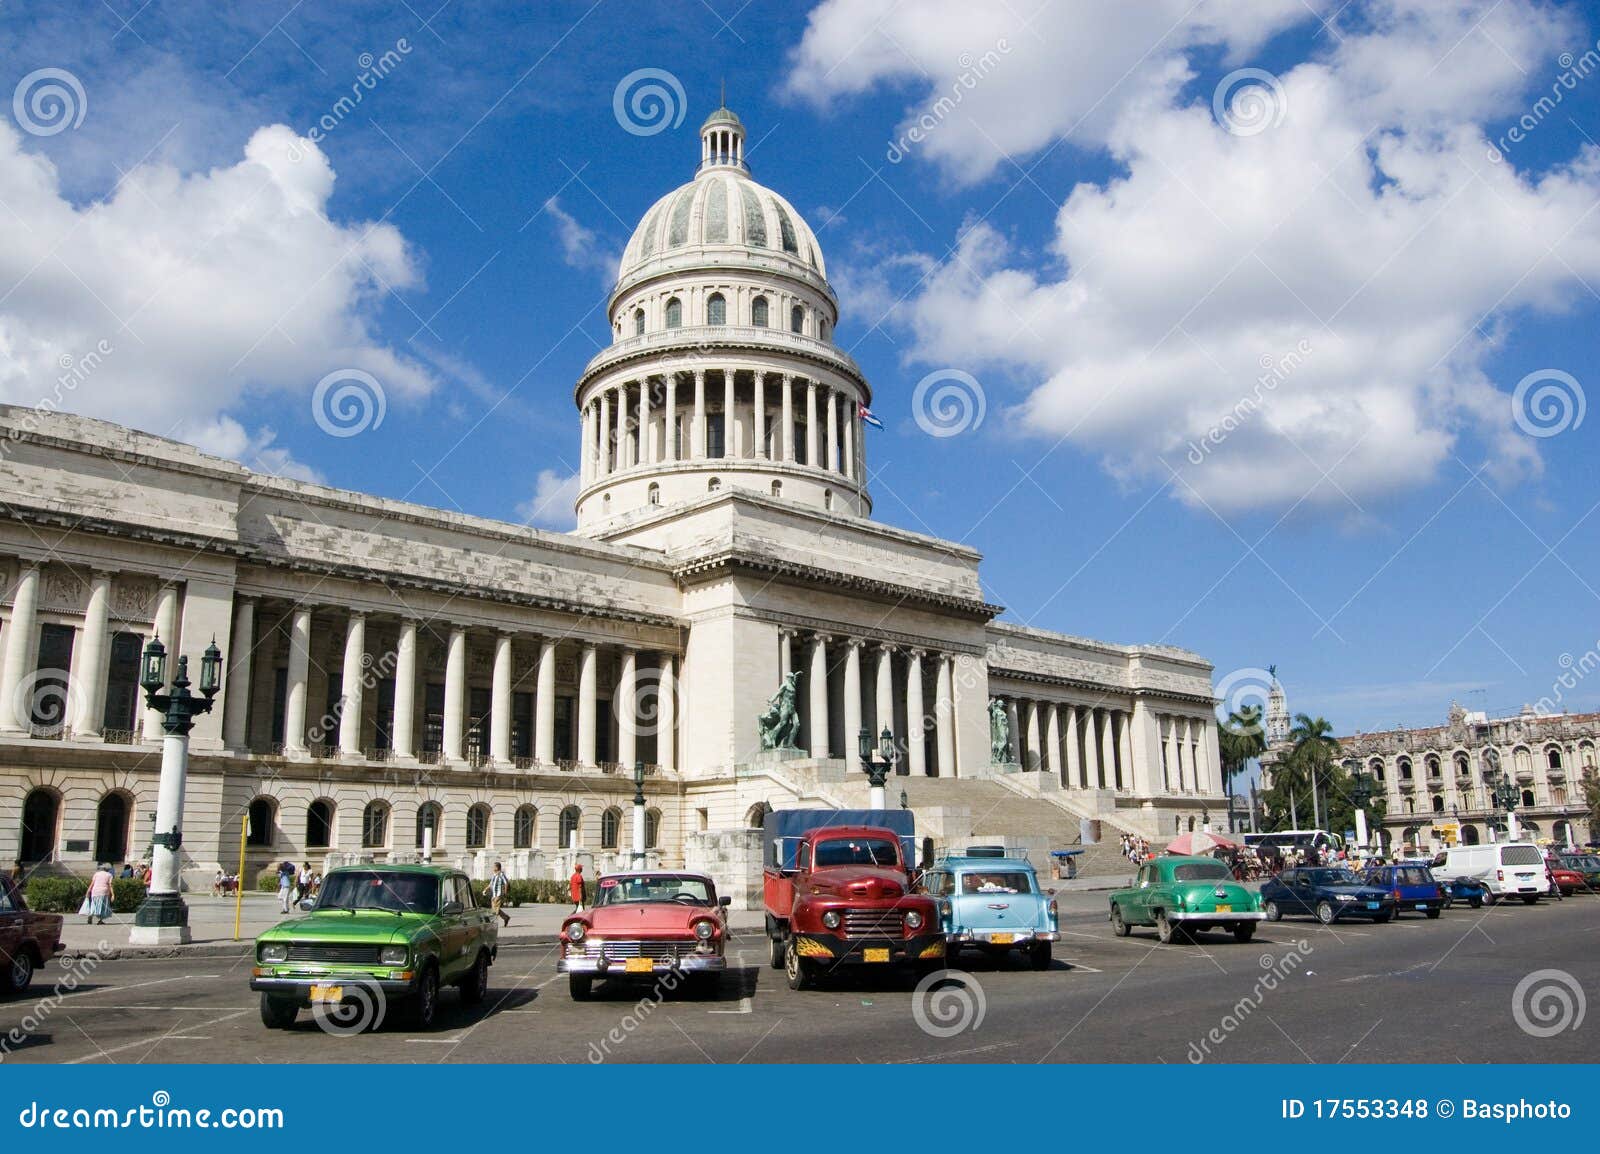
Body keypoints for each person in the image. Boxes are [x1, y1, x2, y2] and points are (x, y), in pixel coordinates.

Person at [484, 862, 511, 927]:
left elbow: (506, 883)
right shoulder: (494, 875)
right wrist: (485, 889)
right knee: (495, 909)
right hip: (493, 895)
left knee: (495, 910)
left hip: (498, 895)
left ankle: (492, 923)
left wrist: (505, 892)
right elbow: (491, 884)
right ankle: (506, 917)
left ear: (497, 867)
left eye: (494, 867)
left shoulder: (501, 874)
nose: (493, 868)